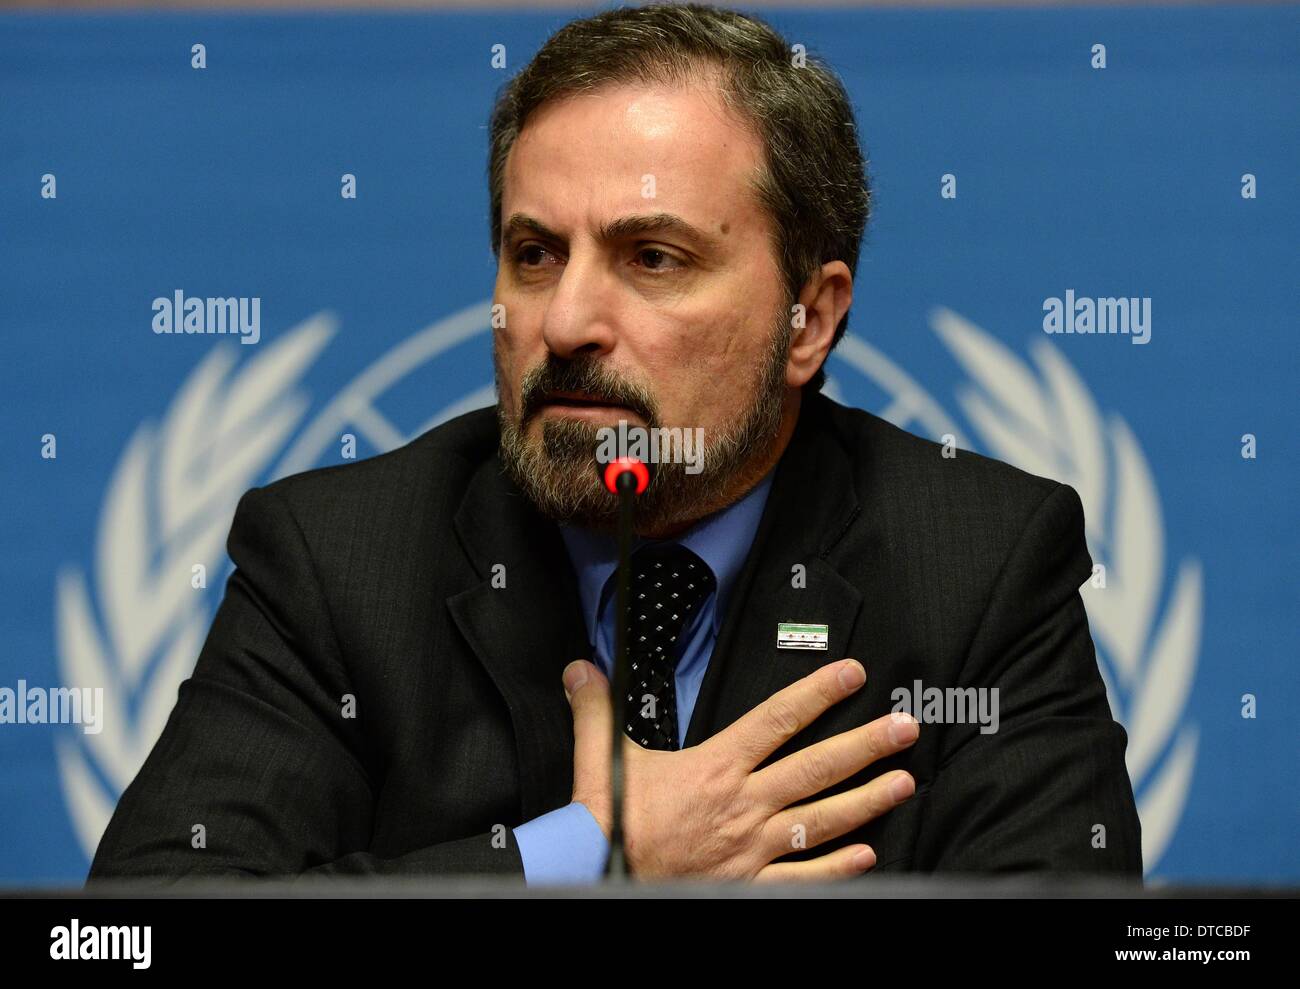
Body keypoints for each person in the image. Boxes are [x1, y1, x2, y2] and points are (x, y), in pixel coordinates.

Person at [89, 2, 1141, 885]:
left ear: (807, 322)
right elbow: (125, 934)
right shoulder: (337, 557)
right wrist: (583, 854)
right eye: (534, 253)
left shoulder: (981, 562)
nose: (563, 323)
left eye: (651, 257)